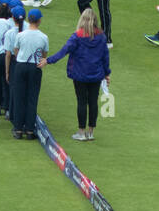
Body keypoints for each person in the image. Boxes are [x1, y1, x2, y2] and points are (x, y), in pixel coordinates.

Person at [45, 8, 111, 142]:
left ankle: (81, 131)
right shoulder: (101, 36)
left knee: (82, 101)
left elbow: (64, 51)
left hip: (80, 74)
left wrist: (48, 60)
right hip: (96, 74)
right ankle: (90, 132)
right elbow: (105, 56)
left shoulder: (77, 36)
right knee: (93, 102)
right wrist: (106, 73)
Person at [8, 9, 49, 140]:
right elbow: (44, 55)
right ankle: (30, 130)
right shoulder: (43, 37)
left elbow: (16, 51)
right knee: (32, 98)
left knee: (19, 97)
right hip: (35, 67)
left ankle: (18, 129)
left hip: (20, 66)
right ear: (39, 20)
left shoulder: (20, 35)